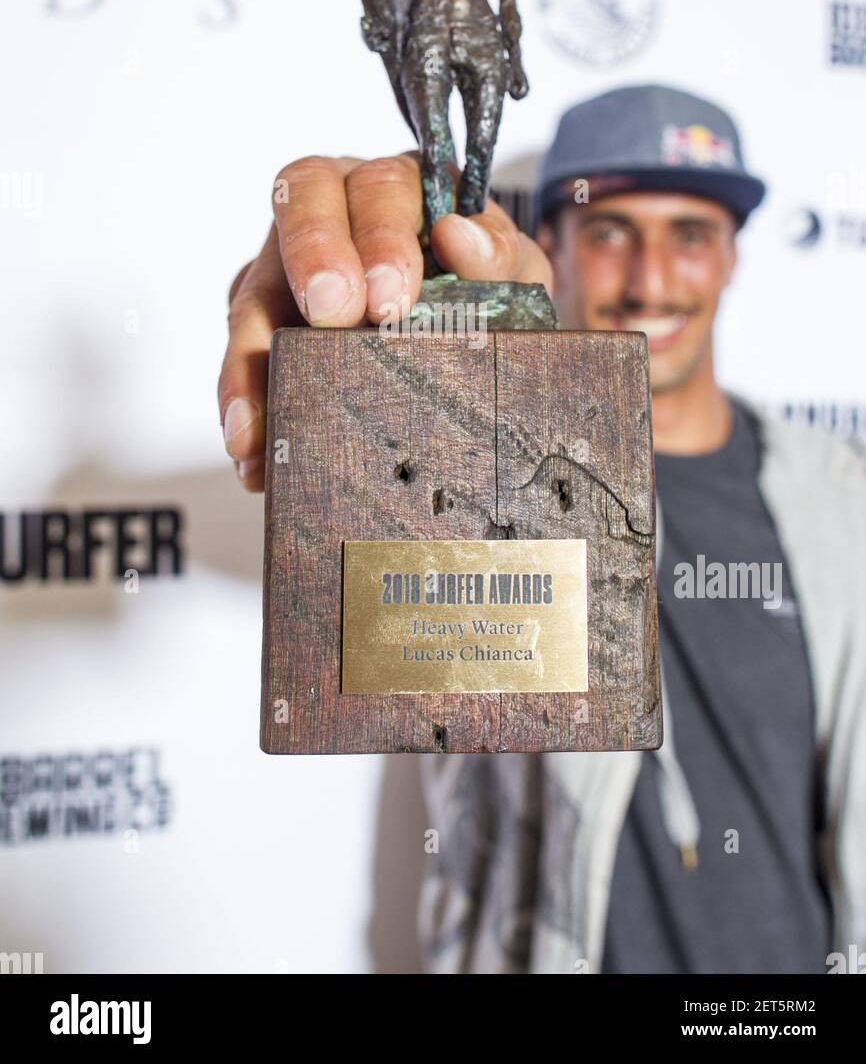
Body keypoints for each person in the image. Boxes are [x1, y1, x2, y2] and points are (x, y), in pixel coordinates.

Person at [218, 83, 866, 974]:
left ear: (730, 259)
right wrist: (370, 314)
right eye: (609, 231)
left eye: (690, 234)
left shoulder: (843, 496)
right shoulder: (489, 469)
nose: (650, 277)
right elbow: (378, 570)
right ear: (551, 245)